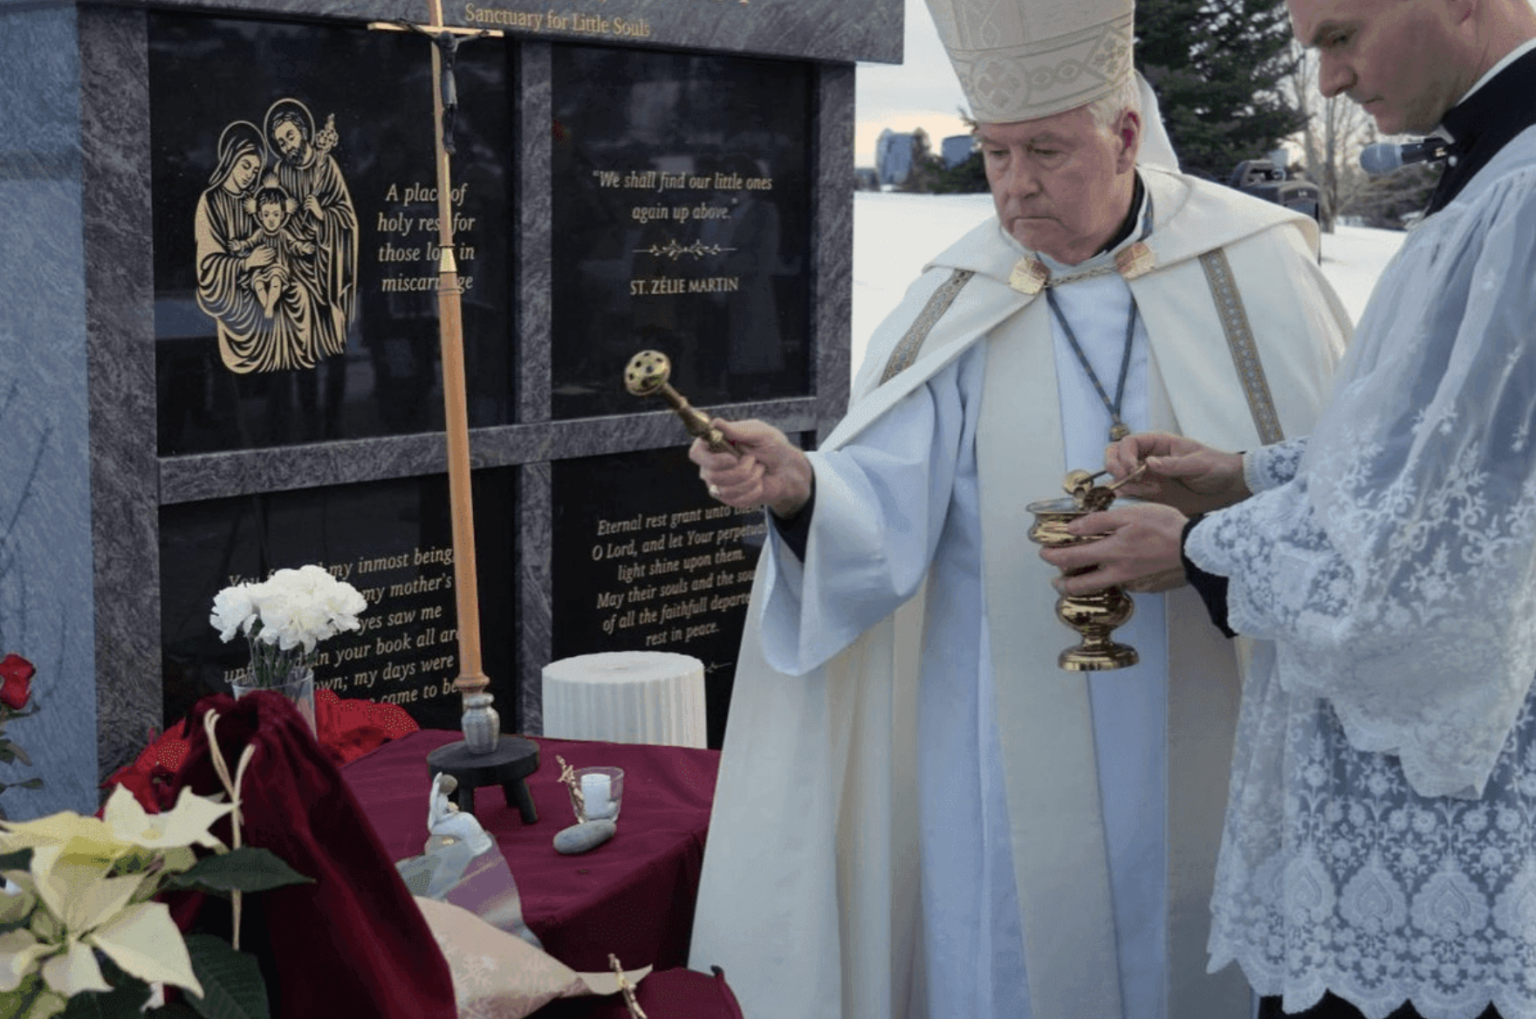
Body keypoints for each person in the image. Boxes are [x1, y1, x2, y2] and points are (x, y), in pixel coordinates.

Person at [683, 1, 1350, 1017]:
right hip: (1002, 732)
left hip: (1212, 707)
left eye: (1045, 151)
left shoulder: (1252, 266)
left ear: (1124, 135)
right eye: (994, 153)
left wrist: (1215, 536)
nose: (1015, 185)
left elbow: (1345, 492)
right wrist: (804, 487)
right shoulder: (964, 291)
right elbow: (882, 496)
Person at [1041, 1, 1536, 1017]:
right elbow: (1450, 453)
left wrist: (1201, 549)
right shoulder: (1494, 167)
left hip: (1448, 822)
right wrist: (1249, 474)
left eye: (1341, 36)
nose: (1328, 82)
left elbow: (1461, 553)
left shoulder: (1524, 194)